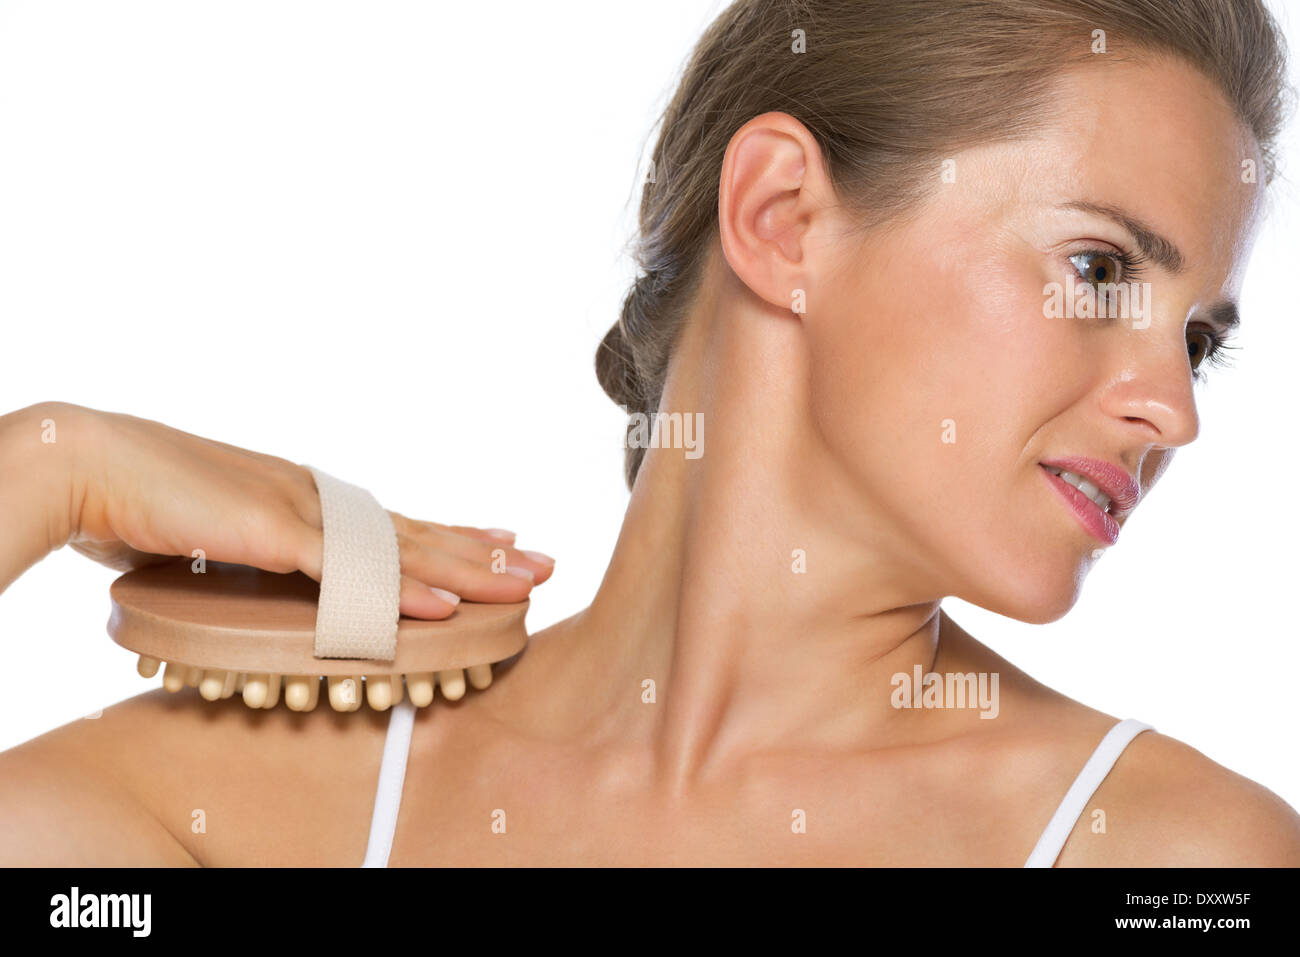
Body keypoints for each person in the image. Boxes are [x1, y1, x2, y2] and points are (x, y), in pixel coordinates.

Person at [2, 0, 1299, 866]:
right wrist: (52, 466)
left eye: (1197, 337)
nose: (1169, 408)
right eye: (1098, 268)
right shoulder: (227, 809)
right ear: (784, 217)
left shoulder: (1166, 858)